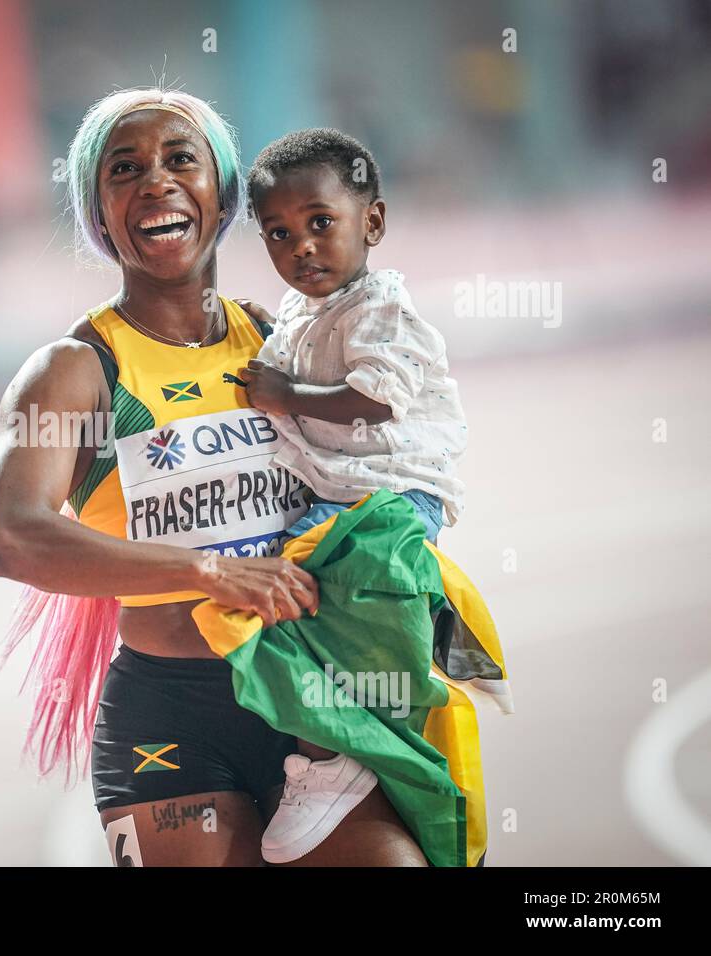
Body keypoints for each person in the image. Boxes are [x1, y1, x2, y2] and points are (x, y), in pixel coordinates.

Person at [0, 90, 429, 866]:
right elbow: (13, 536)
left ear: (222, 195)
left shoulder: (284, 339)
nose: (155, 181)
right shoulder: (77, 369)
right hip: (172, 715)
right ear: (98, 208)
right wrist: (211, 572)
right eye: (125, 169)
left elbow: (387, 454)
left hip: (315, 706)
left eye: (179, 159)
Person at [230, 128, 469, 863]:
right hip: (343, 493)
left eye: (320, 224)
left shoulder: (380, 308)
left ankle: (346, 751)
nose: (301, 247)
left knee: (318, 590)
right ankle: (339, 738)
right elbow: (266, 363)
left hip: (393, 494)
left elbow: (373, 401)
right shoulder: (301, 309)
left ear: (373, 222)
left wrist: (285, 391)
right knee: (277, 596)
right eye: (279, 233)